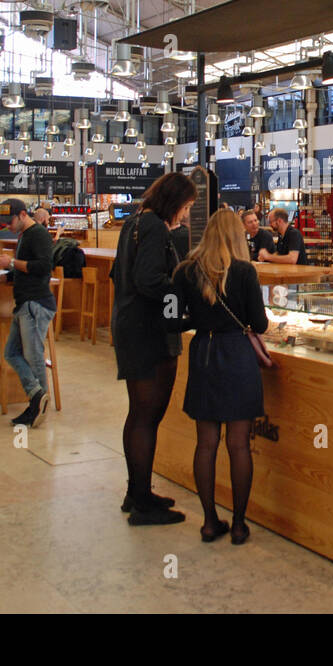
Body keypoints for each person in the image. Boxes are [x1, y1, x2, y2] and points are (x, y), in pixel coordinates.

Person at [174, 208, 270, 545]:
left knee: (206, 443)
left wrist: (198, 320)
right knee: (239, 444)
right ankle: (240, 524)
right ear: (236, 235)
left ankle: (210, 522)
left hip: (204, 355)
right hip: (237, 357)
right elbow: (259, 324)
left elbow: (170, 316)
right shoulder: (245, 272)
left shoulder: (185, 271)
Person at [112, 171, 197, 526]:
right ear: (175, 201)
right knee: (147, 415)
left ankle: (137, 492)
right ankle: (142, 502)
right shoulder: (155, 228)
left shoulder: (134, 221)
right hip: (148, 333)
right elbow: (151, 281)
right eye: (187, 206)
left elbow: (122, 275)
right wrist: (181, 308)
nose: (186, 215)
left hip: (131, 326)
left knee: (139, 414)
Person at [0, 199, 56, 429]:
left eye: (9, 222)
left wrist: (11, 262)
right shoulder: (25, 236)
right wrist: (7, 276)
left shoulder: (38, 234)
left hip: (35, 304)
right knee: (12, 353)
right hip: (25, 303)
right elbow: (27, 269)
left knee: (33, 356)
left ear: (21, 215)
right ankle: (37, 396)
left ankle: (37, 404)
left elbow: (42, 267)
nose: (7, 227)